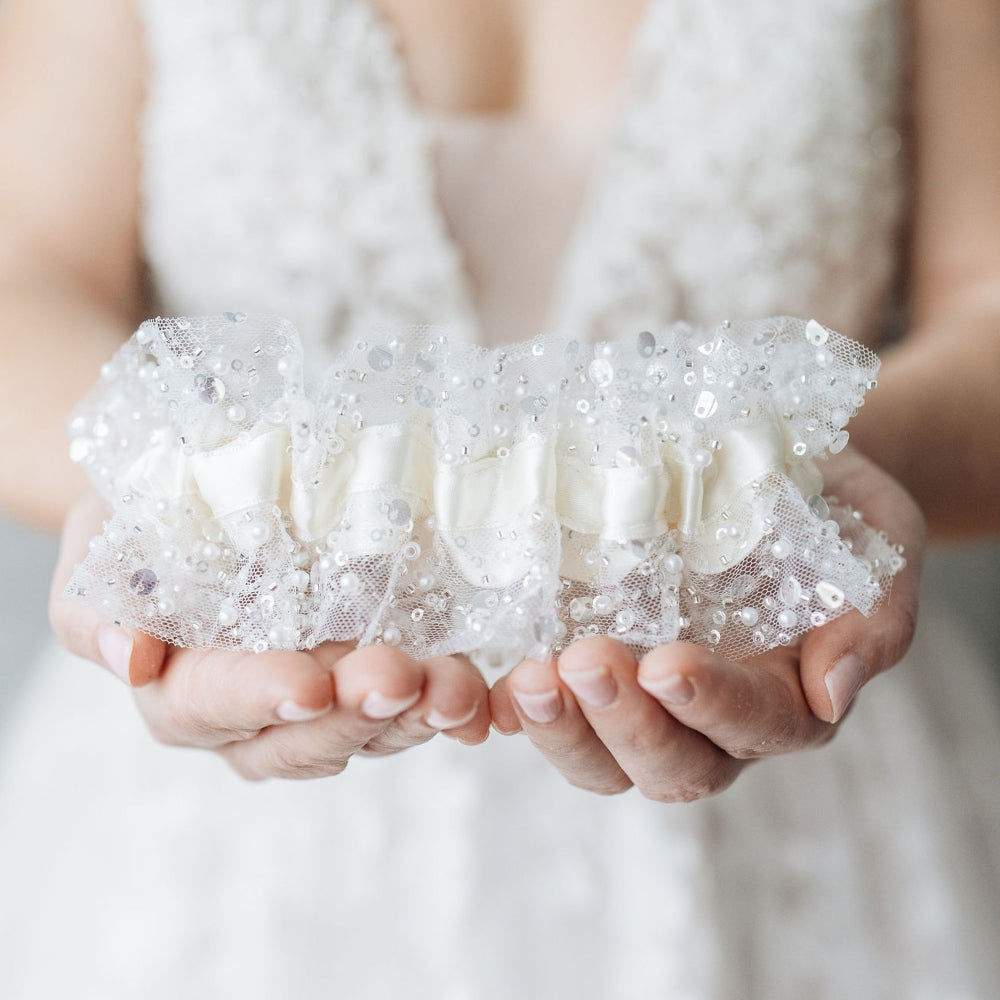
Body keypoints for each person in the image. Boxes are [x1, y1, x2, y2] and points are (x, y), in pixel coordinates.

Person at [0, 0, 997, 996]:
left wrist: (809, 471)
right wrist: (143, 479)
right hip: (228, 808)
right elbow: (24, 280)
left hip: (792, 739)